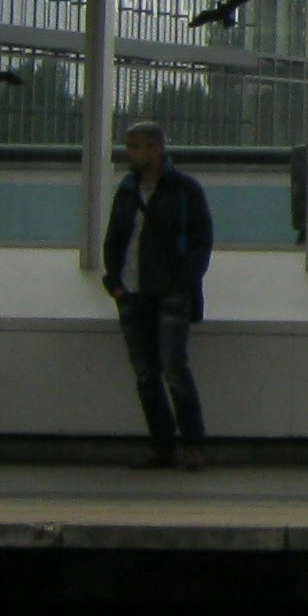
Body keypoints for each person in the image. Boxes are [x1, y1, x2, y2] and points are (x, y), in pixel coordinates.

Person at [101, 120, 213, 471]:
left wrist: (179, 282)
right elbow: (115, 239)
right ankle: (163, 445)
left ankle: (192, 445)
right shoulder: (128, 189)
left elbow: (200, 242)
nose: (129, 152)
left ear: (156, 149)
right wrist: (116, 285)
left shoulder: (183, 190)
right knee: (146, 374)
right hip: (132, 292)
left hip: (168, 294)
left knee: (174, 370)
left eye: (135, 146)